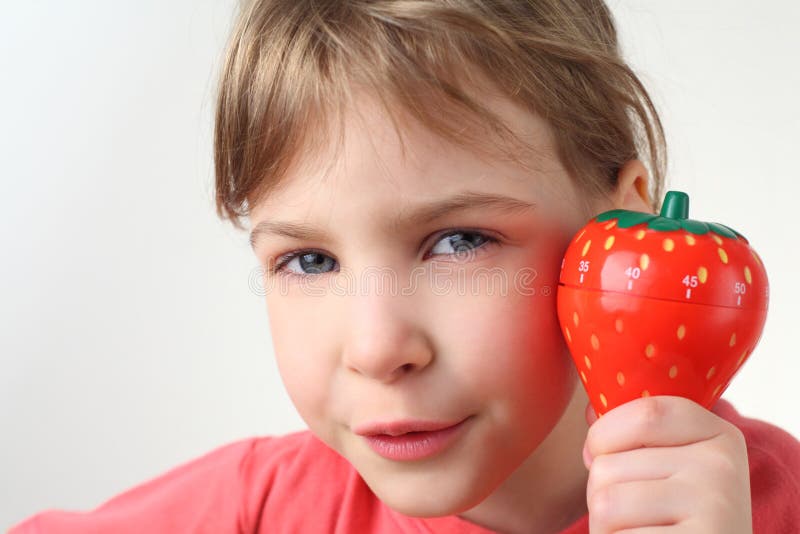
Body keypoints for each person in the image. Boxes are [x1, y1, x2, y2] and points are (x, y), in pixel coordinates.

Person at [10, 1, 800, 532]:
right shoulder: (257, 510)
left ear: (617, 224)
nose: (377, 348)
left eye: (457, 241)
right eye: (309, 259)